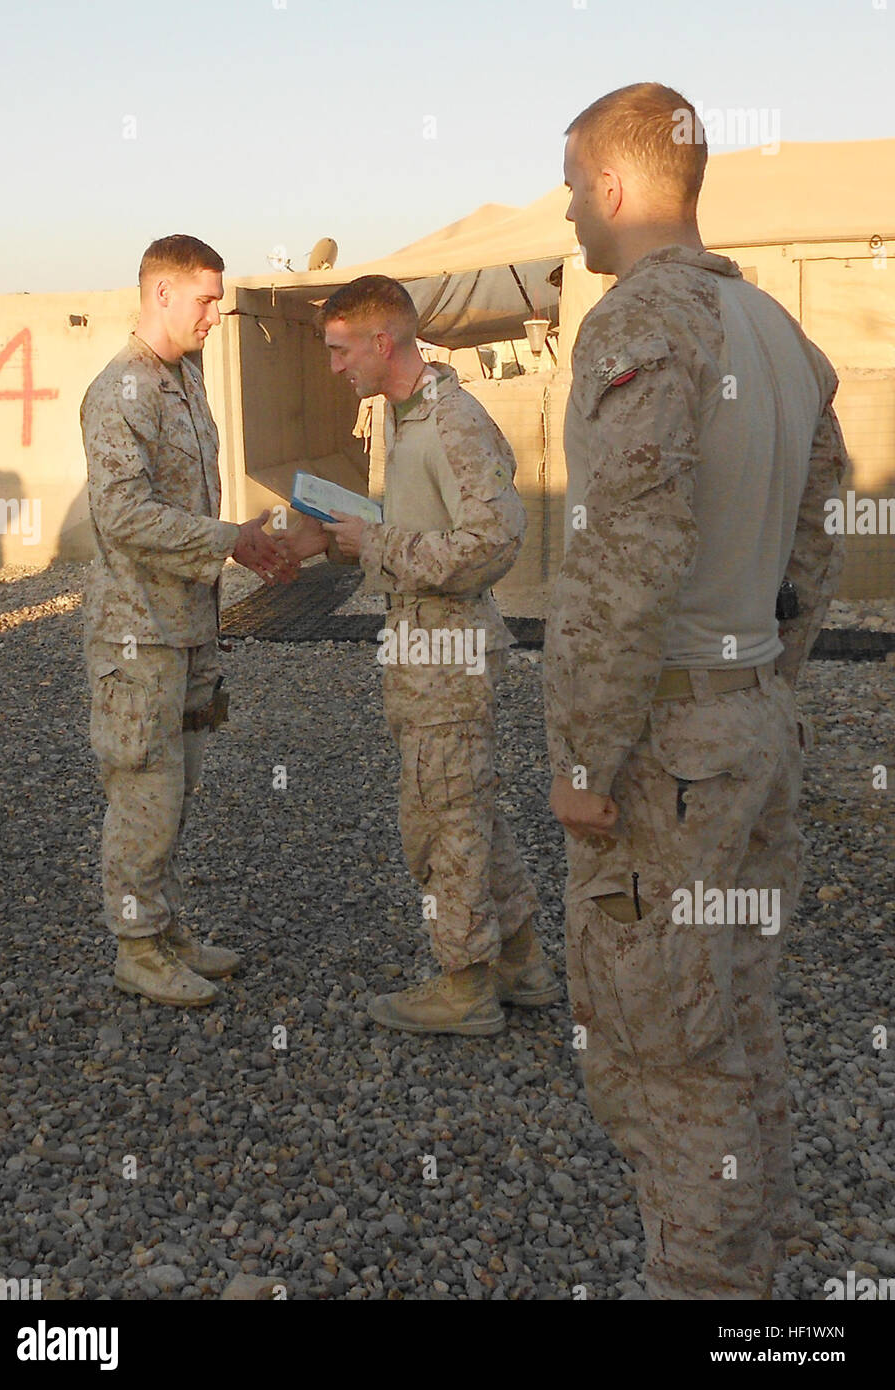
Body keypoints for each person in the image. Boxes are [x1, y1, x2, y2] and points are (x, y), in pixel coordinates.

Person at [543, 84, 847, 1298]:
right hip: (750, 721)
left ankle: (706, 1290)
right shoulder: (773, 328)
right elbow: (815, 549)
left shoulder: (640, 326)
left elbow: (623, 562)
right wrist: (768, 684)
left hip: (666, 750)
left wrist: (580, 757)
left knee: (664, 1051)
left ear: (613, 187)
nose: (569, 210)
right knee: (738, 1009)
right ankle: (754, 1268)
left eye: (572, 186)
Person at [279, 274, 560, 1035]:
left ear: (382, 343)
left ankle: (464, 987)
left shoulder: (453, 422)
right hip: (418, 645)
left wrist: (381, 542)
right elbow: (406, 526)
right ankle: (522, 964)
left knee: (442, 824)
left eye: (341, 351)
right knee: (471, 814)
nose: (334, 367)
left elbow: (494, 541)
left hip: (448, 650)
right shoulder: (400, 418)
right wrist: (337, 538)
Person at [82, 234, 294, 1006]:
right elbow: (123, 513)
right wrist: (227, 541)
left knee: (179, 790)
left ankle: (166, 930)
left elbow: (187, 502)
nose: (216, 312)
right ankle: (136, 947)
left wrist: (242, 544)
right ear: (162, 293)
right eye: (206, 298)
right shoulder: (121, 391)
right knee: (143, 793)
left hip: (188, 631)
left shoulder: (184, 381)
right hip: (137, 636)